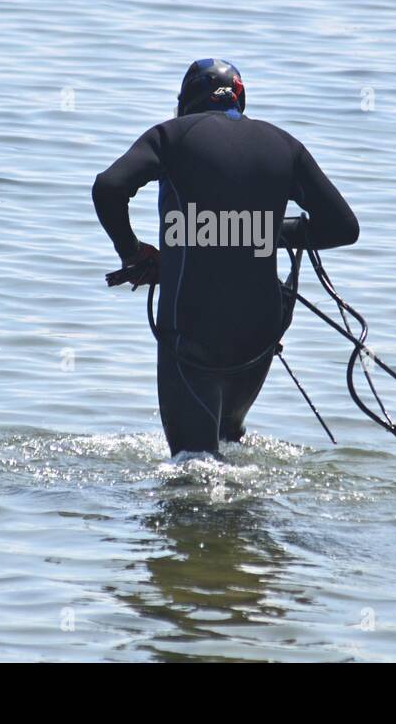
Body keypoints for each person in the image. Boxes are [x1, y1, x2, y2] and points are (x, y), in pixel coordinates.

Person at [92, 59, 359, 456]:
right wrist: (265, 232)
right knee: (227, 455)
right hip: (259, 335)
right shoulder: (284, 145)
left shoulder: (171, 136)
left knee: (193, 469)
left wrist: (132, 252)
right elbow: (342, 227)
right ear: (241, 97)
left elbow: (109, 187)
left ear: (185, 102)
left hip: (193, 330)